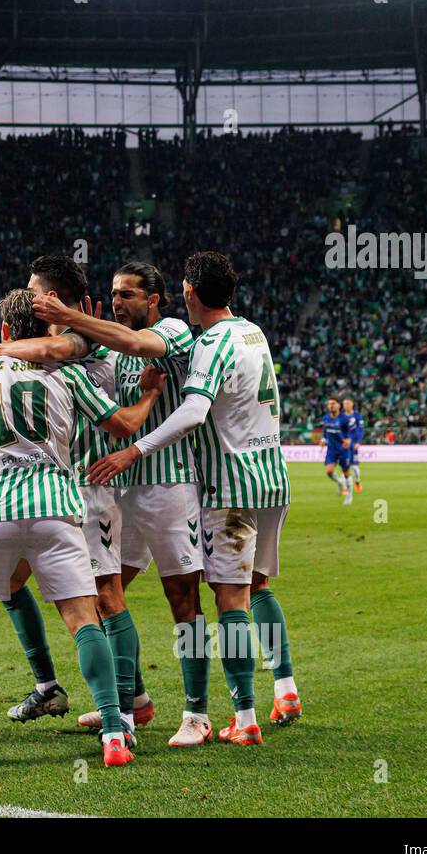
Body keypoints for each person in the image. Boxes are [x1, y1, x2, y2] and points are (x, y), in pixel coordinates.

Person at [0, 288, 161, 768]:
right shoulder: (69, 374)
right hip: (58, 505)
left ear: (5, 332)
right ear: (49, 331)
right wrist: (150, 394)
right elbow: (121, 425)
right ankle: (114, 732)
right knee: (83, 620)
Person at [86, 251, 300, 746]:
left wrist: (132, 450)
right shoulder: (253, 331)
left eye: (127, 293)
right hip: (270, 476)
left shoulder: (203, 340)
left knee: (227, 599)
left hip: (228, 484)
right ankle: (284, 687)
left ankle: (234, 716)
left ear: (184, 293)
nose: (117, 301)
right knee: (255, 587)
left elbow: (194, 412)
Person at [32, 262, 212, 746]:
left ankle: (196, 713)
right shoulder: (110, 343)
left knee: (183, 599)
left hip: (170, 485)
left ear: (154, 300)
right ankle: (131, 703)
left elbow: (135, 344)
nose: (118, 301)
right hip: (117, 490)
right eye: (114, 293)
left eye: (129, 294)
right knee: (100, 596)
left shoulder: (171, 332)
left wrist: (70, 316)